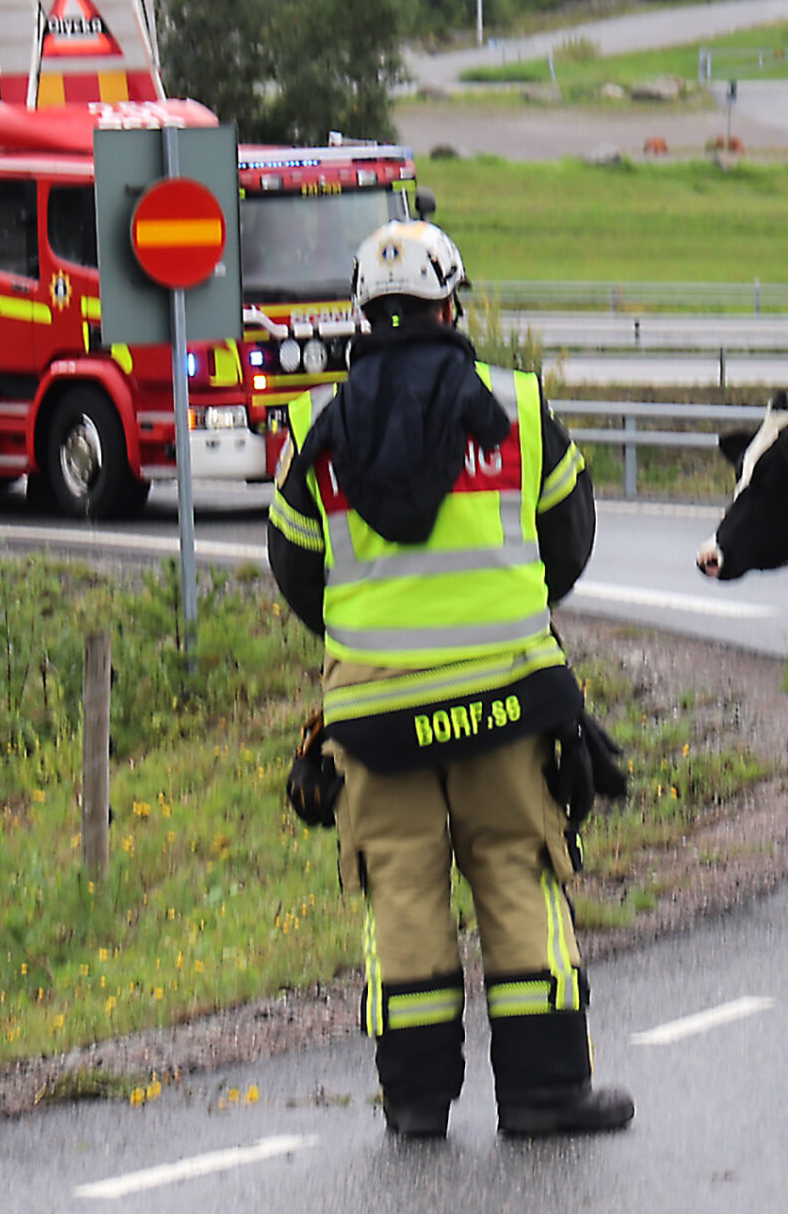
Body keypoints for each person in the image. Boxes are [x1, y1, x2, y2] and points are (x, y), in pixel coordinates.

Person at [266, 219, 633, 1140]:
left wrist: (366, 638)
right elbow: (570, 540)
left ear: (362, 313)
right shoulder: (516, 406)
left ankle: (419, 1102)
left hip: (374, 715)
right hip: (509, 703)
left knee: (401, 890)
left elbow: (296, 570)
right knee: (516, 874)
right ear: (451, 304)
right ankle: (548, 1093)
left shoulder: (314, 428)